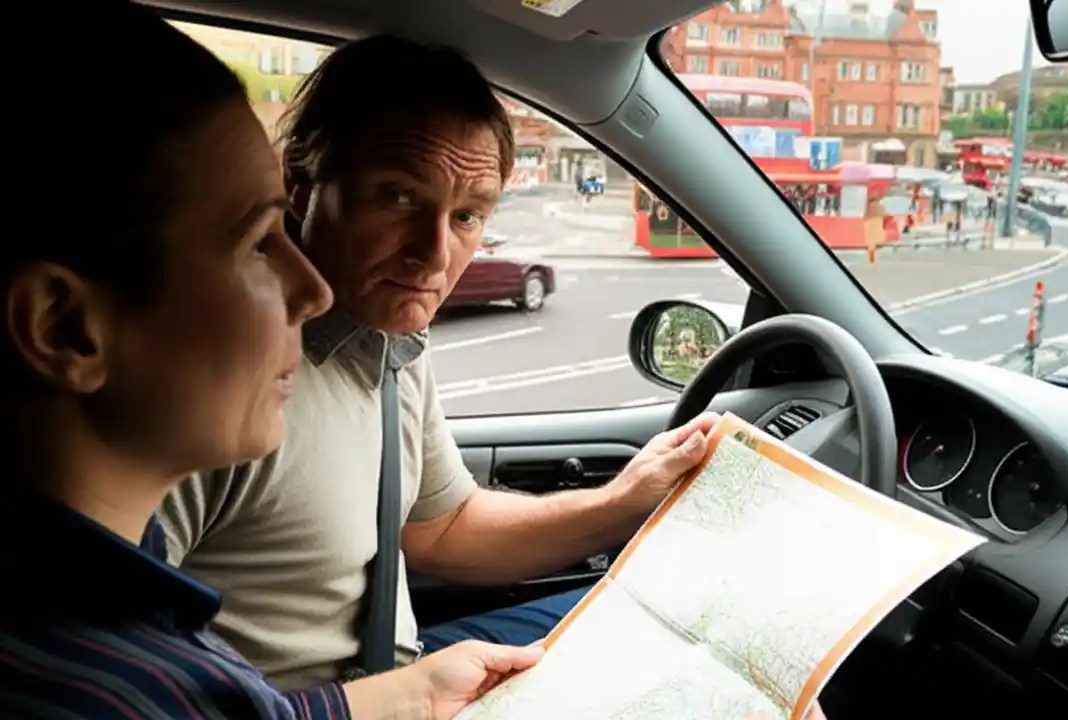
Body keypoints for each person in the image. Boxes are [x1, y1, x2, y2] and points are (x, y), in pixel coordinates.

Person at [0, 4, 542, 718]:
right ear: (66, 328)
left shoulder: (122, 620)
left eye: (469, 216)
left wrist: (400, 695)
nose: (313, 291)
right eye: (258, 243)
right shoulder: (128, 691)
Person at [157, 34, 719, 691]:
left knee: (696, 627)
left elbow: (440, 527)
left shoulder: (390, 342)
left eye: (467, 216)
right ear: (300, 189)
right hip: (327, 704)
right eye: (397, 198)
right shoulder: (211, 382)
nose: (433, 255)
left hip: (405, 668)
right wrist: (395, 700)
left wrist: (625, 501)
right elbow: (115, 676)